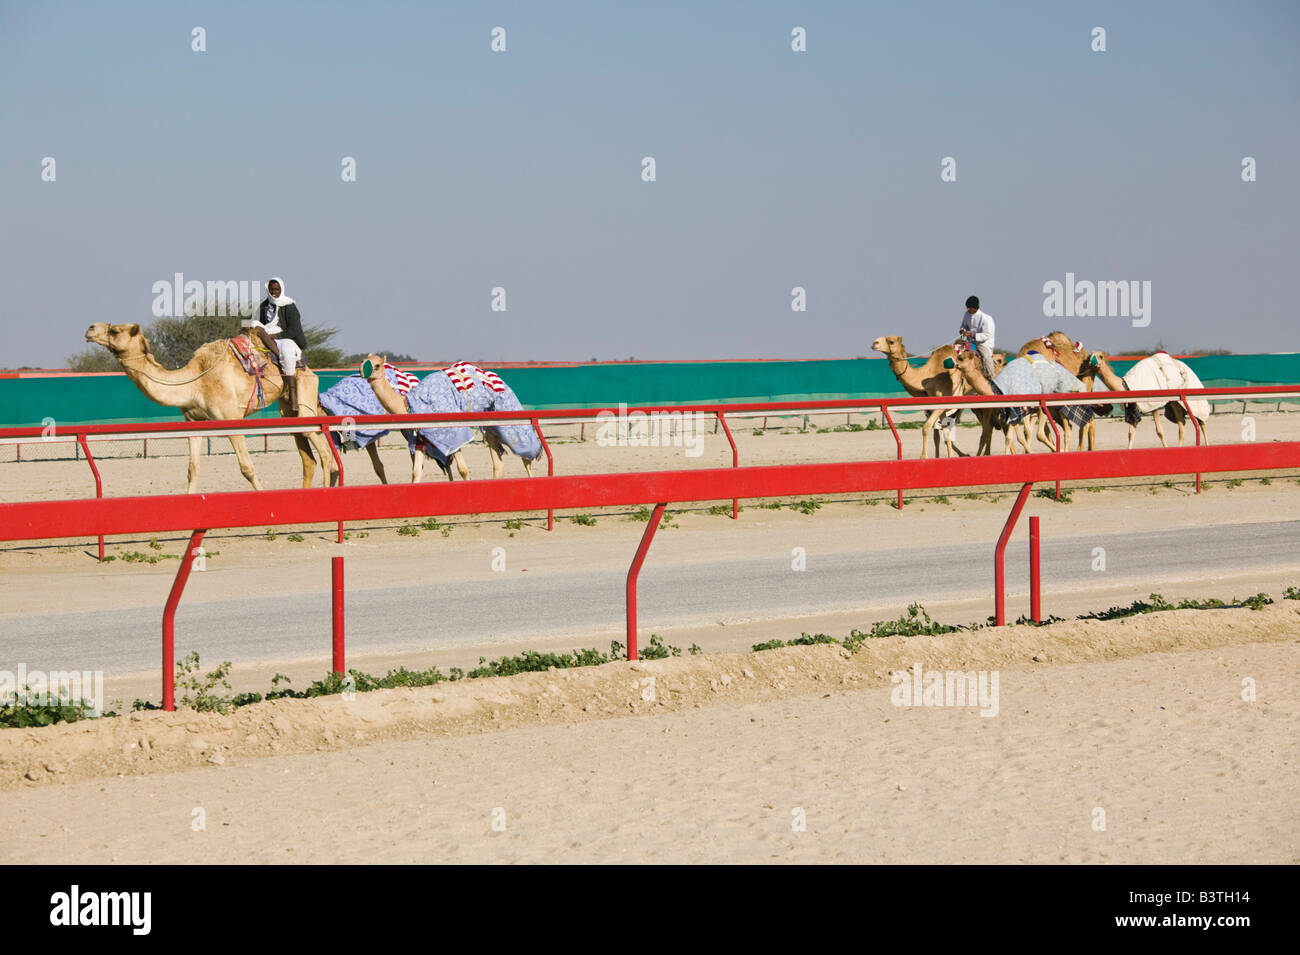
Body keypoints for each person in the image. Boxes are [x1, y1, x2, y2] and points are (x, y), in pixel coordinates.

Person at [243, 277, 307, 414]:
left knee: (287, 352)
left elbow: (294, 330)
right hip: (266, 336)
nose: (274, 292)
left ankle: (292, 392)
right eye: (271, 289)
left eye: (276, 289)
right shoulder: (263, 305)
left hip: (285, 338)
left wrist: (276, 336)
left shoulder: (289, 305)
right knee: (252, 326)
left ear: (281, 289)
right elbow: (259, 322)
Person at [958, 295, 997, 380]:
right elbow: (963, 325)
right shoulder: (967, 315)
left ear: (975, 307)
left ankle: (991, 377)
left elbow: (986, 335)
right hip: (971, 343)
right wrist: (962, 330)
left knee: (986, 358)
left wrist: (971, 334)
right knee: (958, 350)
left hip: (983, 344)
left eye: (969, 307)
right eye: (967, 307)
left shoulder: (986, 318)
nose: (968, 309)